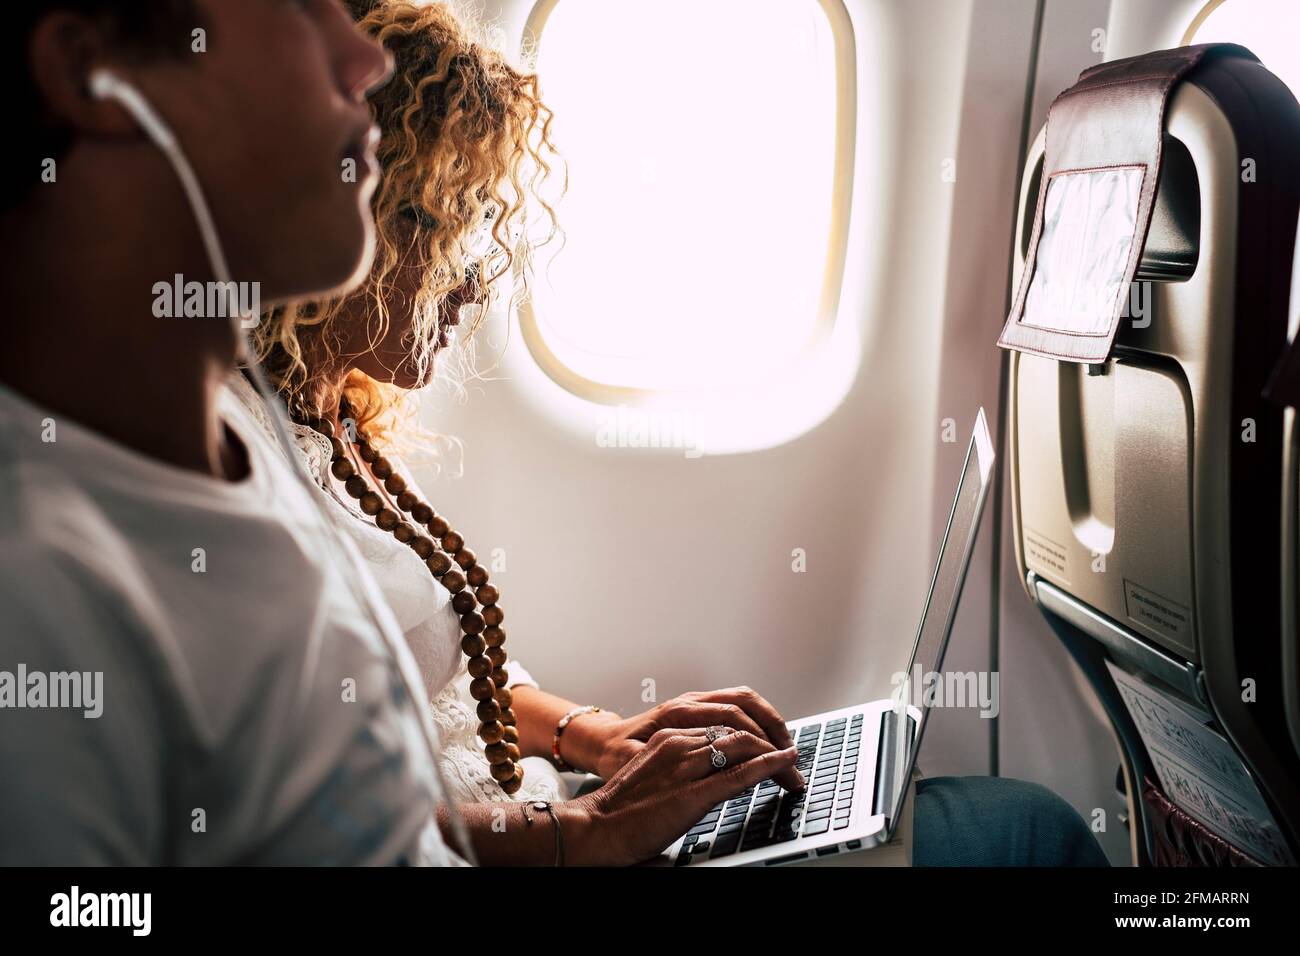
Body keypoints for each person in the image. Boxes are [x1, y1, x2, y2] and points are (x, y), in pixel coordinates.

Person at [244, 0, 1110, 867]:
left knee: (1009, 823)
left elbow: (451, 690)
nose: (473, 288)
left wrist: (603, 737)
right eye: (442, 229)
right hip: (531, 849)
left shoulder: (334, 420)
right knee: (1030, 838)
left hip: (551, 816)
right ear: (355, 213)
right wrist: (590, 832)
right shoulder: (239, 461)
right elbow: (309, 830)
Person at [0, 0, 797, 867]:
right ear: (90, 72)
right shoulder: (53, 564)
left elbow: (401, 747)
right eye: (305, 11)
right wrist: (587, 831)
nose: (361, 56)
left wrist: (595, 742)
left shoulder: (269, 445)